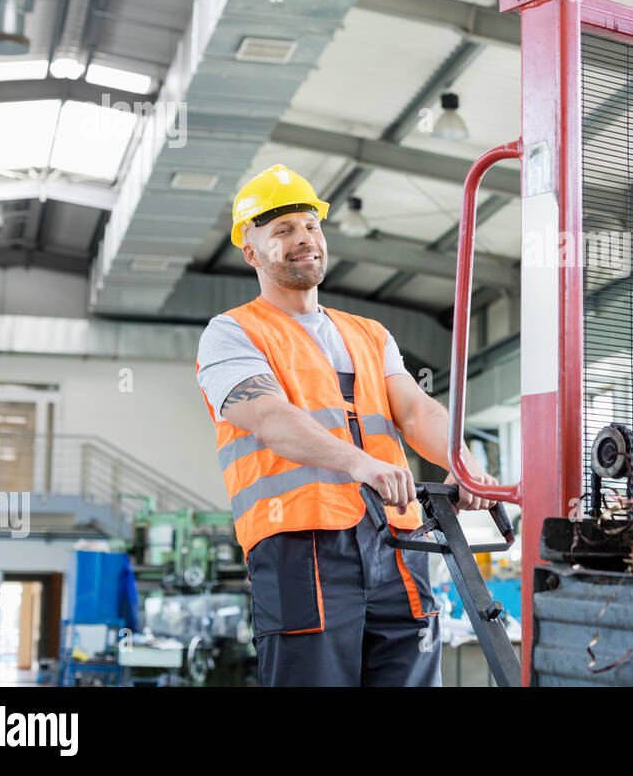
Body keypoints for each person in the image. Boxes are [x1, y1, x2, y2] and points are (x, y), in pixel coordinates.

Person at [195, 163, 498, 686]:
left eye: (311, 226)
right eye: (283, 230)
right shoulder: (232, 333)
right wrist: (363, 464)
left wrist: (461, 462)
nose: (303, 239)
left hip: (399, 539)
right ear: (251, 252)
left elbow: (416, 410)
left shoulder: (370, 333)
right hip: (301, 545)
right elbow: (270, 418)